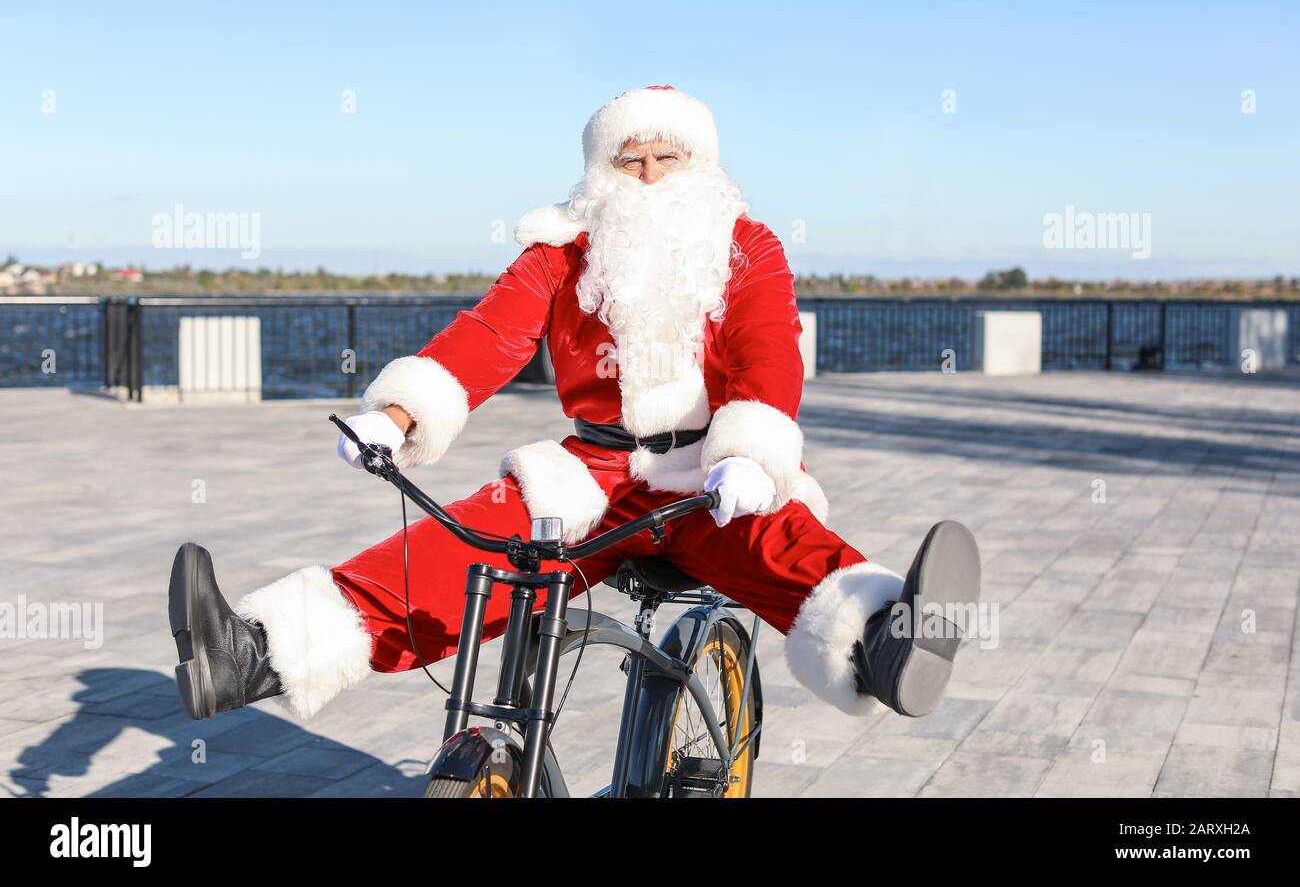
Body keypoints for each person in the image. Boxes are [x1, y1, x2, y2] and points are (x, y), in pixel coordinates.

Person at [168, 85, 980, 726]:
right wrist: (399, 417)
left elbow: (767, 349)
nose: (654, 174)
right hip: (593, 469)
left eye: (671, 156)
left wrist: (751, 459)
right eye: (633, 161)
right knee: (472, 552)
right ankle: (253, 653)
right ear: (602, 171)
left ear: (703, 166)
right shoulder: (561, 251)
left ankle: (882, 644)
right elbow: (490, 334)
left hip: (713, 468)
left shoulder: (747, 246)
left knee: (781, 543)